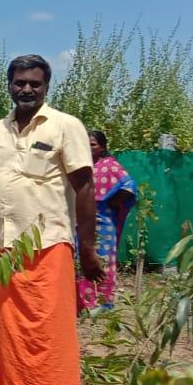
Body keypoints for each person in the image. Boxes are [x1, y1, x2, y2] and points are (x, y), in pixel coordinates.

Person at [0, 54, 100, 385]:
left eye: (35, 83)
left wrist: (89, 247)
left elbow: (84, 186)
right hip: (3, 247)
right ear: (9, 85)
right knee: (8, 332)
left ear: (46, 86)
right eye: (20, 83)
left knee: (51, 332)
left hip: (48, 245)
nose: (26, 89)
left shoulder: (66, 126)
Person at [77, 130, 137, 313]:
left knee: (103, 259)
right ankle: (84, 302)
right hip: (81, 220)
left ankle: (103, 303)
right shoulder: (80, 166)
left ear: (102, 147)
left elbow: (129, 186)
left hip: (103, 221)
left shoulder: (109, 166)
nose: (88, 148)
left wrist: (112, 202)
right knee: (81, 259)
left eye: (93, 144)